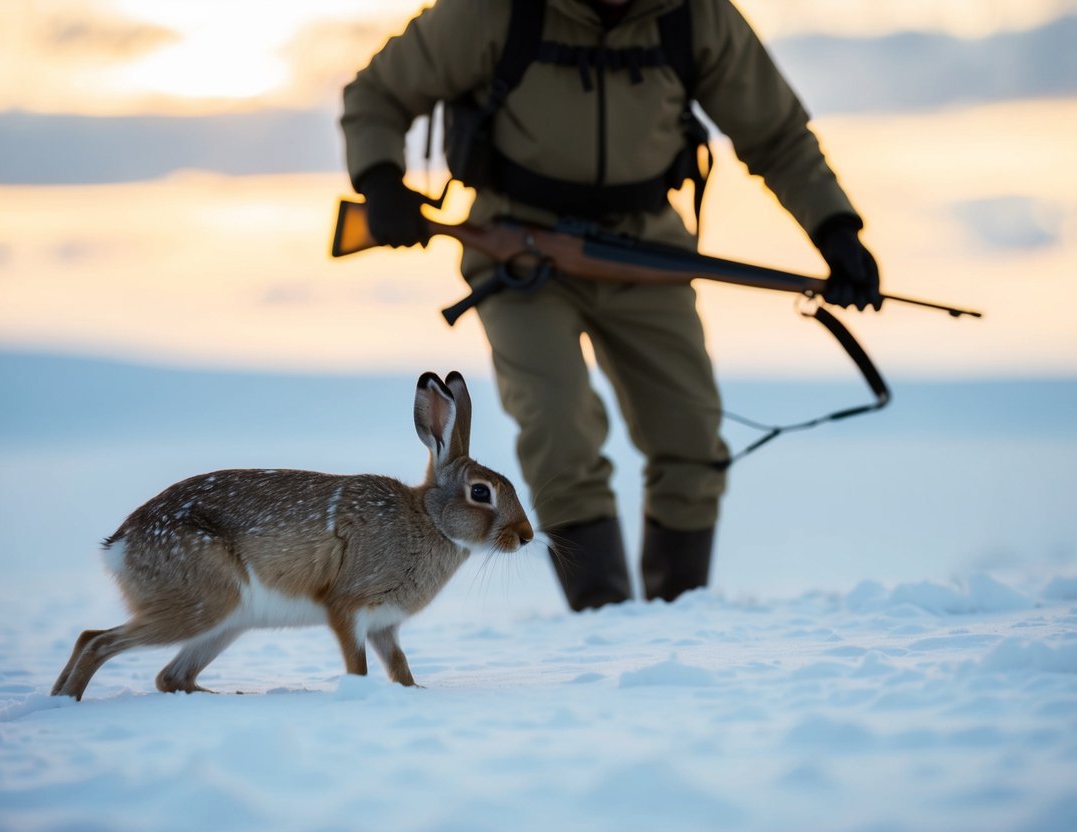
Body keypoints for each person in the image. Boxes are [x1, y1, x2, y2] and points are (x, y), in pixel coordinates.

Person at [340, 0, 882, 611]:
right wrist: (380, 180)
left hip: (647, 247)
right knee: (559, 428)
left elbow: (777, 133)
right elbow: (377, 94)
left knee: (690, 439)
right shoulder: (491, 10)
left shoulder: (697, 16)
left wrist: (836, 228)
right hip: (517, 253)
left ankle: (681, 622)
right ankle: (604, 623)